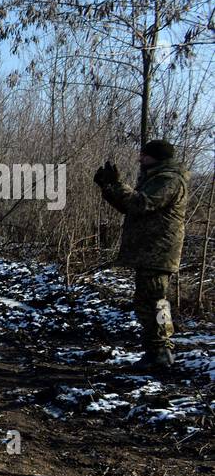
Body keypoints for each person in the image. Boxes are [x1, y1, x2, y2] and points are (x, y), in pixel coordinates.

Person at [94, 139, 188, 371]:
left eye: (144, 156)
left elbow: (140, 203)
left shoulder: (169, 179)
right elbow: (130, 207)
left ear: (157, 157)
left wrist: (116, 184)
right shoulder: (156, 177)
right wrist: (109, 188)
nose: (140, 159)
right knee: (151, 303)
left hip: (159, 252)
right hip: (151, 251)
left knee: (155, 303)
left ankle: (161, 351)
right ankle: (158, 350)